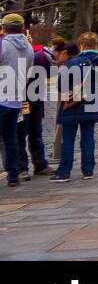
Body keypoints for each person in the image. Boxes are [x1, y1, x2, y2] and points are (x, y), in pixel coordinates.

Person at [52, 32, 98, 183]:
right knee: (88, 137)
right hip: (92, 102)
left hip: (72, 104)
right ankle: (88, 170)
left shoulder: (71, 63)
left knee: (68, 139)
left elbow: (60, 86)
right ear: (96, 44)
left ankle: (64, 171)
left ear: (81, 45)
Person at [0, 14, 34, 188]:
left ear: (3, 28)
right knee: (10, 136)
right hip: (16, 98)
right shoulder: (28, 46)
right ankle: (13, 174)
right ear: (21, 28)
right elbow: (29, 72)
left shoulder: (3, 45)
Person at [17, 28, 53, 177]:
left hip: (33, 98)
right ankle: (23, 167)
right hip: (23, 98)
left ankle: (38, 164)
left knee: (34, 131)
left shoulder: (37, 53)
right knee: (22, 133)